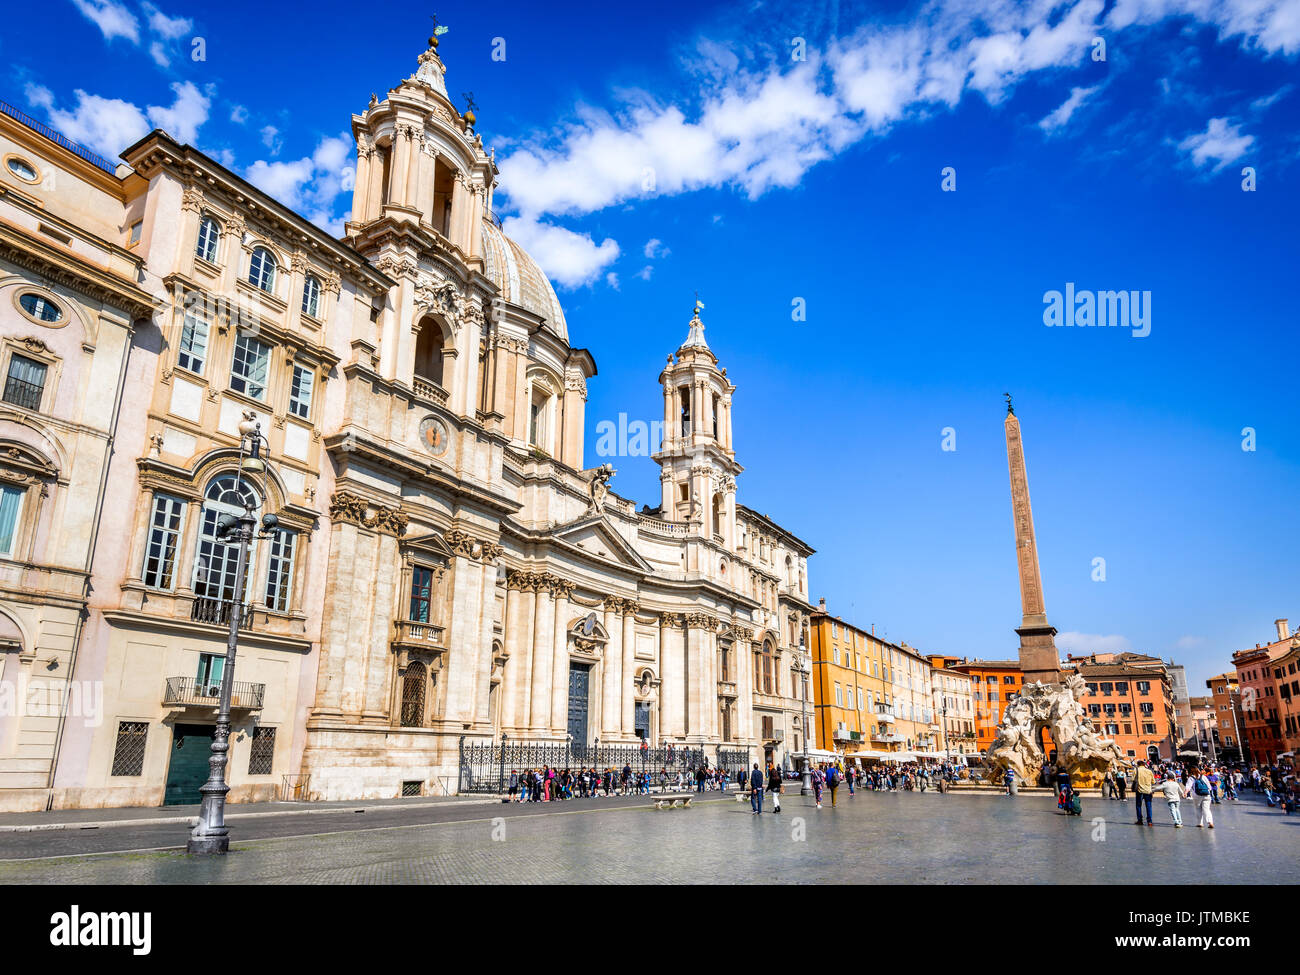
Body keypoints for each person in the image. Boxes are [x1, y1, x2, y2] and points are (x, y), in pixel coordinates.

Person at [1133, 761, 1155, 827]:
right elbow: (1153, 781)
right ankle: (1150, 821)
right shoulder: (1149, 771)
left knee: (1138, 805)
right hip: (1148, 791)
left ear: (1138, 764)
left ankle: (1140, 820)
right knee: (1149, 806)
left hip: (1139, 790)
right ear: (1144, 765)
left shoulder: (1136, 770)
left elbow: (1133, 779)